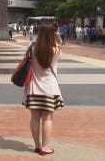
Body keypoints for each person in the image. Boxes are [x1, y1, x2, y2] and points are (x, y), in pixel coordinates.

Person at [23, 23, 64, 156]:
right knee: (47, 119)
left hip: (34, 88)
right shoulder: (56, 50)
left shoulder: (32, 48)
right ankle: (45, 147)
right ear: (52, 34)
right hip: (50, 89)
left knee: (34, 117)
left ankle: (37, 145)